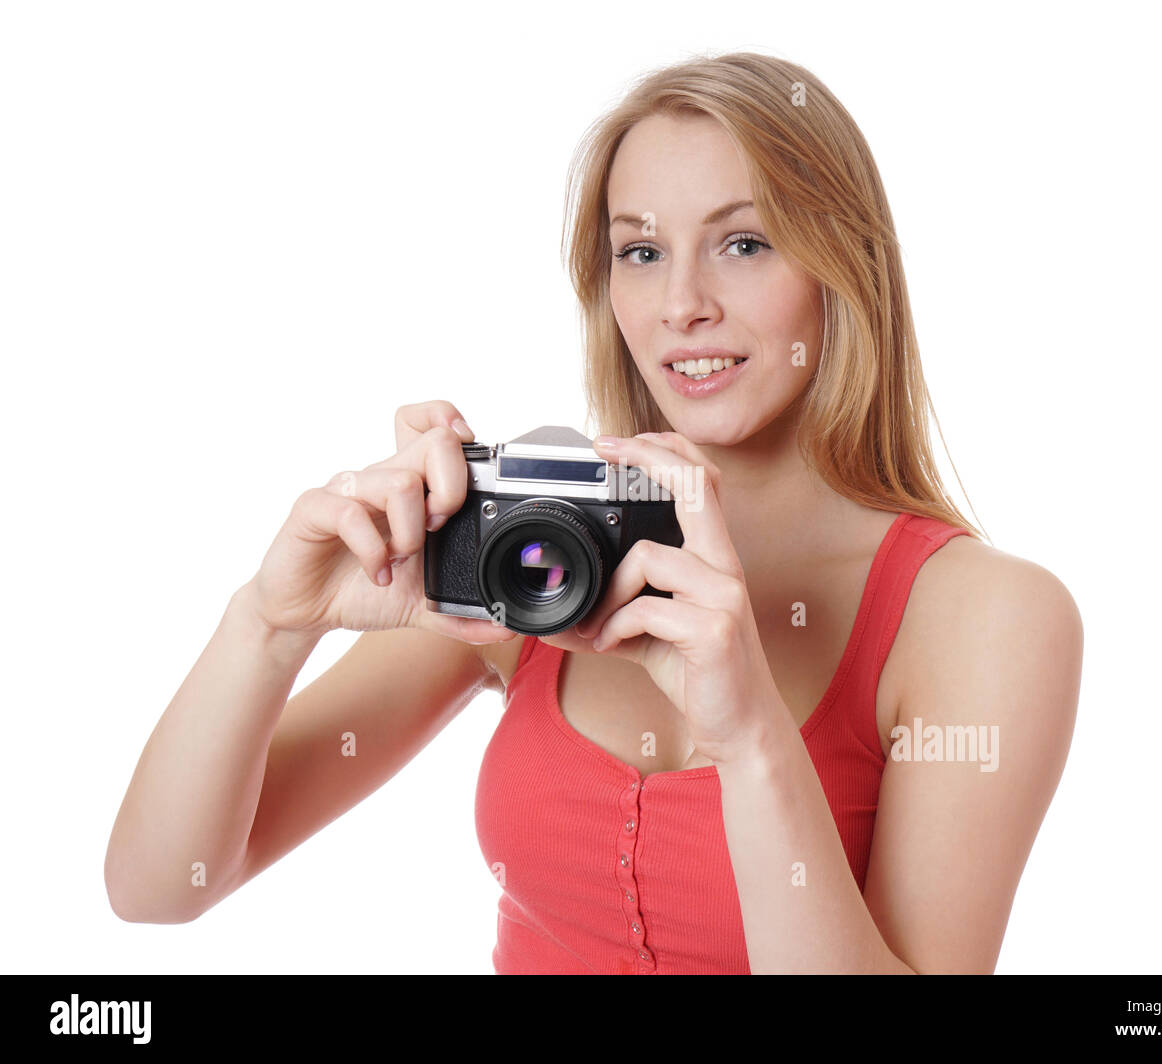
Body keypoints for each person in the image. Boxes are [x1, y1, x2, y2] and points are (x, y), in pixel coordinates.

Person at [105, 51, 1083, 975]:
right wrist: (269, 623)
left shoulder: (981, 617)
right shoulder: (536, 550)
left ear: (843, 266)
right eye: (642, 250)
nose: (681, 303)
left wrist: (748, 736)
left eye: (742, 243)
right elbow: (159, 887)